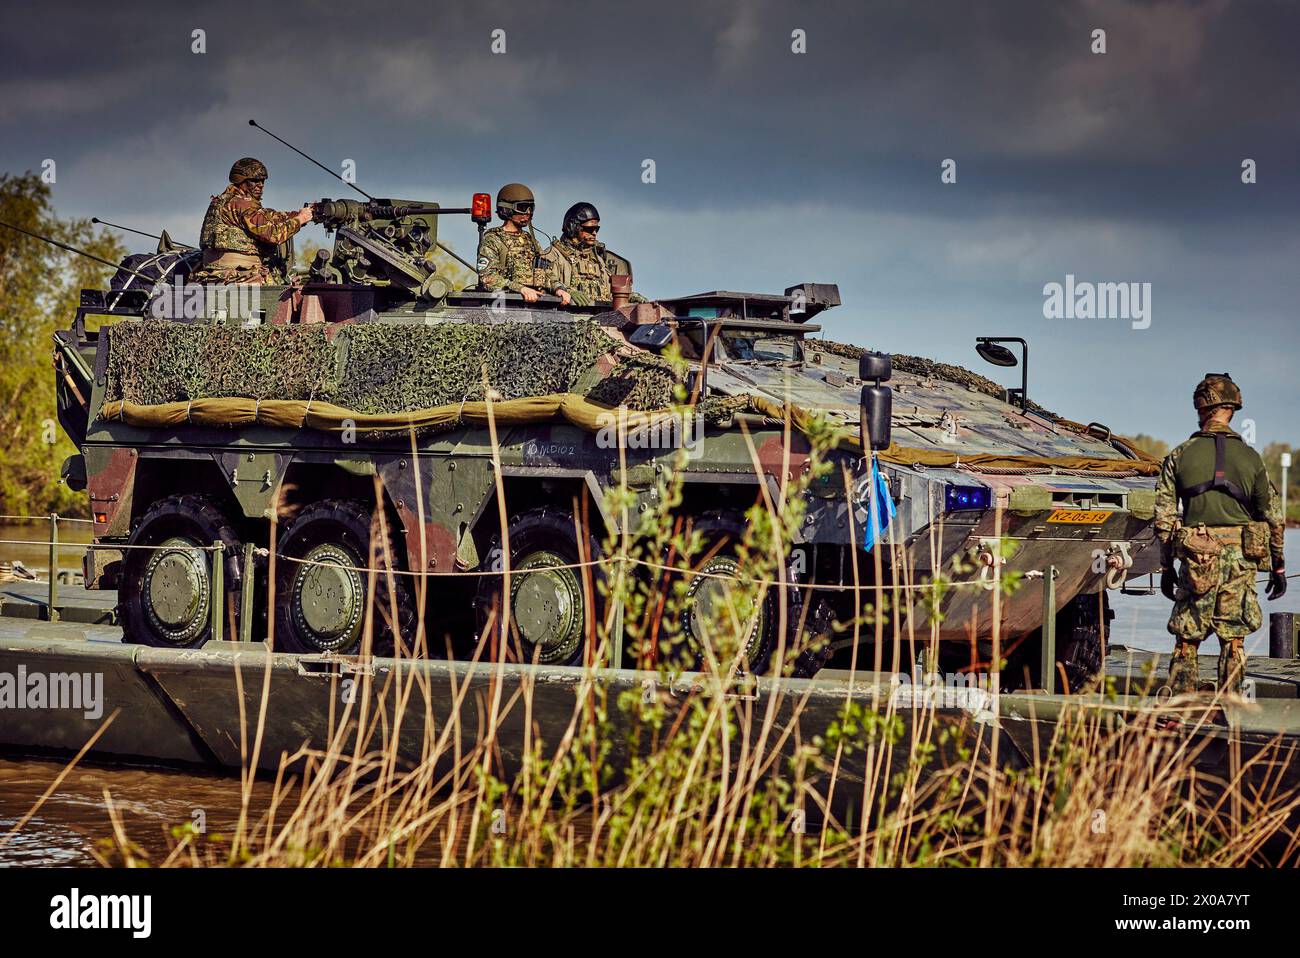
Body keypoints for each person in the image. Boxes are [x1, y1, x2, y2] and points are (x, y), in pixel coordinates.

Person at [1154, 373, 1286, 696]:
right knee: (1233, 639)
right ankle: (1232, 710)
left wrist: (1167, 566)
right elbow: (1274, 518)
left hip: (1196, 560)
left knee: (1187, 640)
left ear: (1201, 408)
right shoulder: (1253, 459)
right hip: (1240, 564)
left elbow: (1163, 517)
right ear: (1231, 409)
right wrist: (1278, 565)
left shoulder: (1179, 455)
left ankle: (1179, 710)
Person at [189, 158, 313, 285]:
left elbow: (269, 216)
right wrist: (300, 220)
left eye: (262, 181)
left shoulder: (225, 201)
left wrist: (300, 214)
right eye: (254, 180)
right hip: (239, 273)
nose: (260, 185)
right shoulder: (242, 203)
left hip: (214, 272)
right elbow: (272, 234)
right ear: (240, 181)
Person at [476, 183, 570, 305]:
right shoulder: (493, 239)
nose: (528, 213)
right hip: (504, 305)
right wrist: (520, 289)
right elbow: (487, 278)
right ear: (506, 209)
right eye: (522, 207)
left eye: (531, 208)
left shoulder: (531, 241)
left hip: (535, 304)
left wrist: (559, 289)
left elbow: (545, 273)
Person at [542, 202, 644, 307]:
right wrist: (568, 291)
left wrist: (628, 296)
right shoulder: (553, 254)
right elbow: (542, 279)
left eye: (596, 229)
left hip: (600, 316)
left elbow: (609, 290)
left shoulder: (598, 259)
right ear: (573, 227)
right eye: (589, 229)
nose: (594, 233)